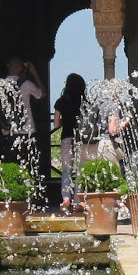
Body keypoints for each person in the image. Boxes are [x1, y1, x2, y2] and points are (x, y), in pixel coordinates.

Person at [54, 73, 86, 211]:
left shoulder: (60, 101)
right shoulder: (84, 101)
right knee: (80, 170)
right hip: (80, 138)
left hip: (66, 137)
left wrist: (64, 121)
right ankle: (78, 201)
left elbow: (55, 124)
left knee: (66, 170)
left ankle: (66, 198)